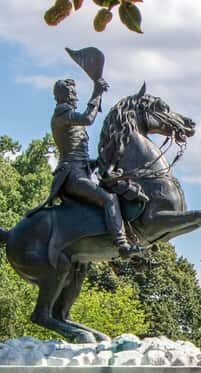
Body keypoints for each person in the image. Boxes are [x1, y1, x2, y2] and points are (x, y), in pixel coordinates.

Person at [40, 77, 140, 257]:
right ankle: (122, 243)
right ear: (63, 96)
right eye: (71, 93)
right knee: (108, 199)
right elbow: (88, 118)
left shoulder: (68, 117)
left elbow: (80, 152)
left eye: (75, 92)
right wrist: (97, 92)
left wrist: (99, 162)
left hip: (82, 170)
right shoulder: (62, 114)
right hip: (71, 174)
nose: (75, 96)